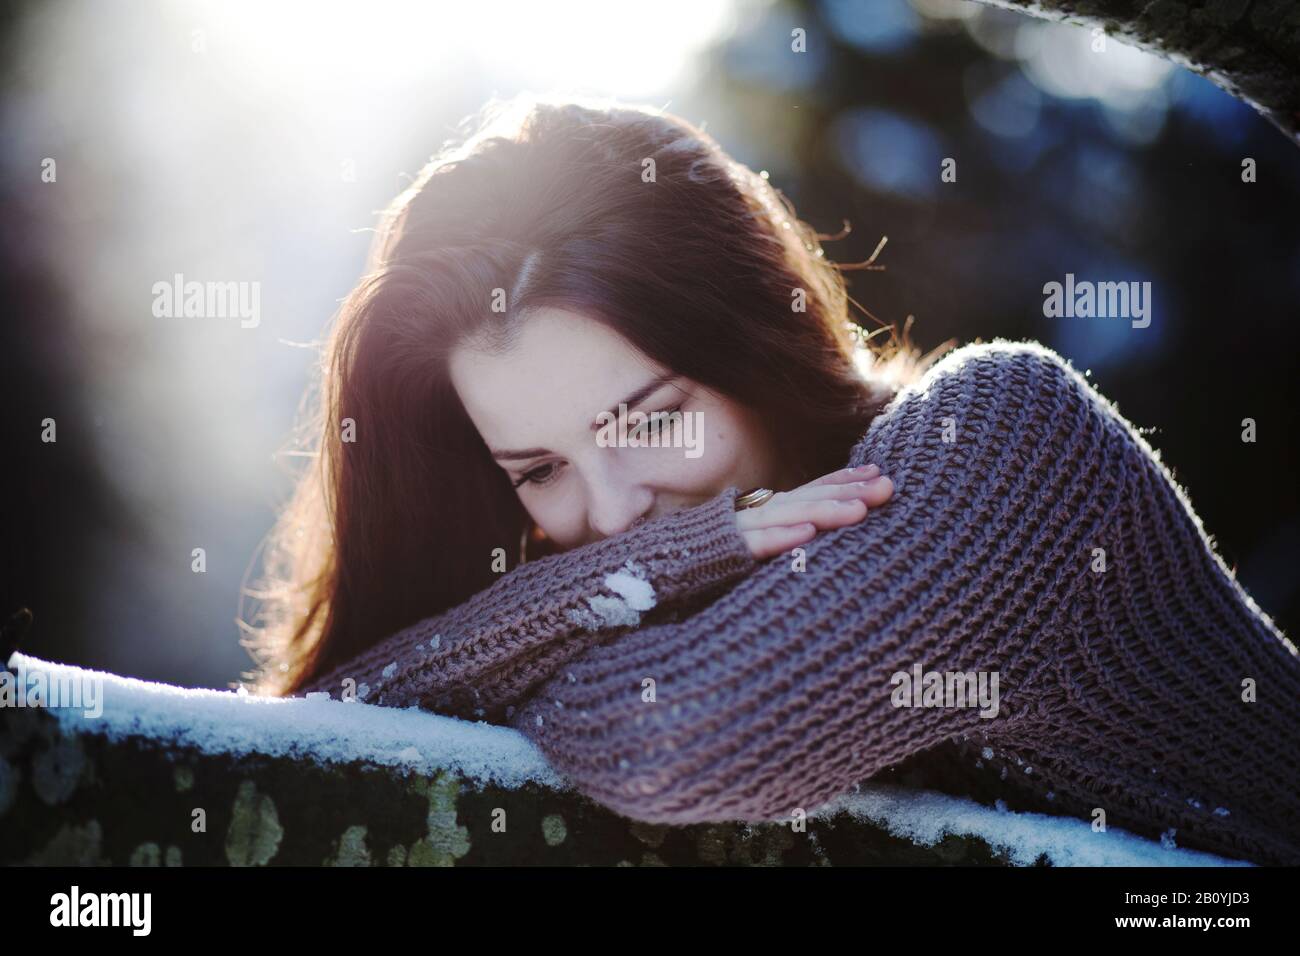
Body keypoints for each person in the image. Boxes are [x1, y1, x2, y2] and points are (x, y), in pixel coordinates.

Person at [243, 93, 1300, 865]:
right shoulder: (666, 571)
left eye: (654, 419)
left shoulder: (999, 448)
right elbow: (345, 711)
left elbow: (672, 741)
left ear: (753, 339)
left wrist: (585, 606)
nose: (608, 515)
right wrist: (681, 552)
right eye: (541, 468)